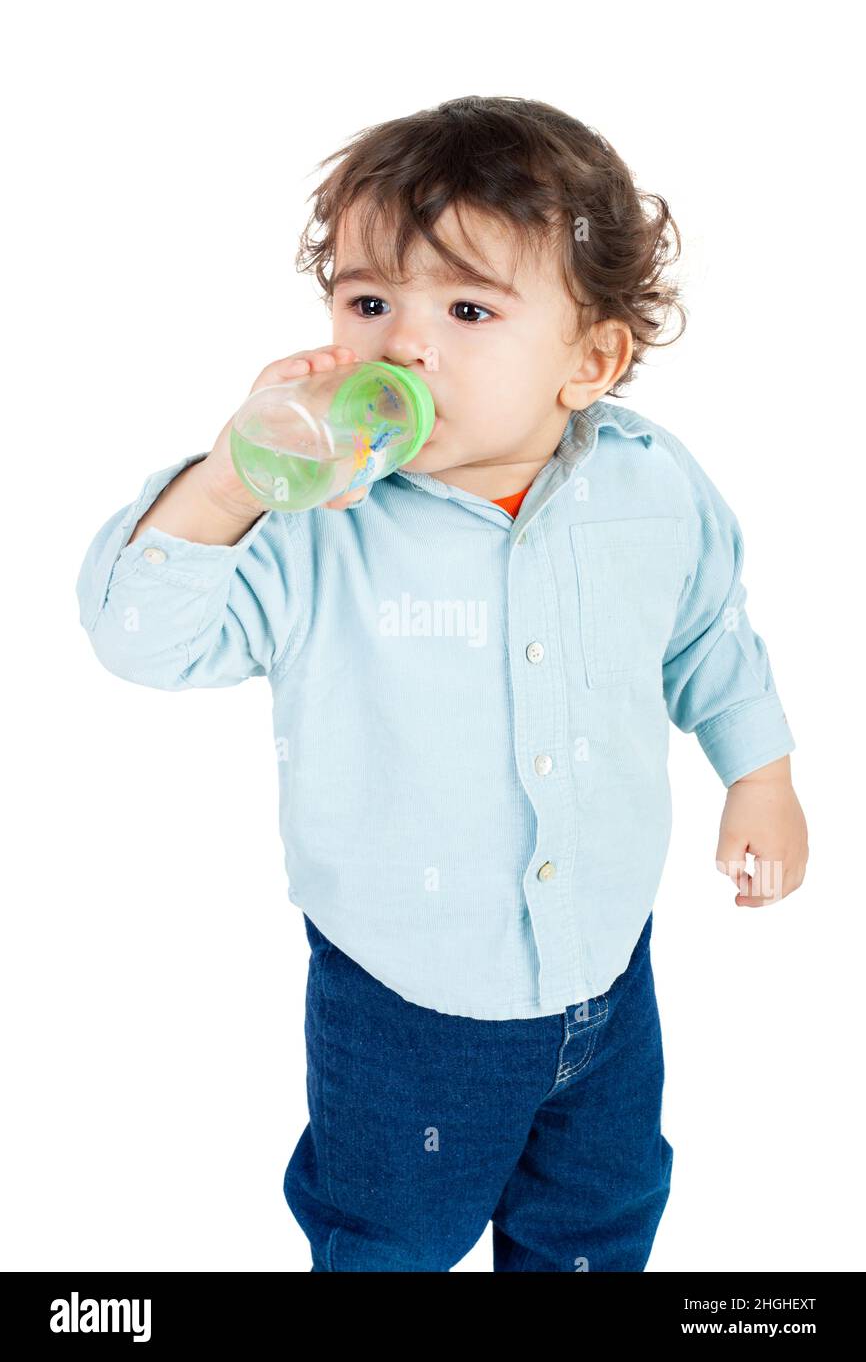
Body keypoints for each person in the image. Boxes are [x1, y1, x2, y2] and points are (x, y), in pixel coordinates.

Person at [75, 95, 808, 1271]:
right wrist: (231, 479)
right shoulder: (311, 522)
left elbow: (703, 626)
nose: (401, 344)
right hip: (403, 996)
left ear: (592, 358)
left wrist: (757, 773)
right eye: (368, 302)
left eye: (466, 308)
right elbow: (140, 637)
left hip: (604, 968)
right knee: (388, 1235)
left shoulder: (649, 485)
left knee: (600, 1215)